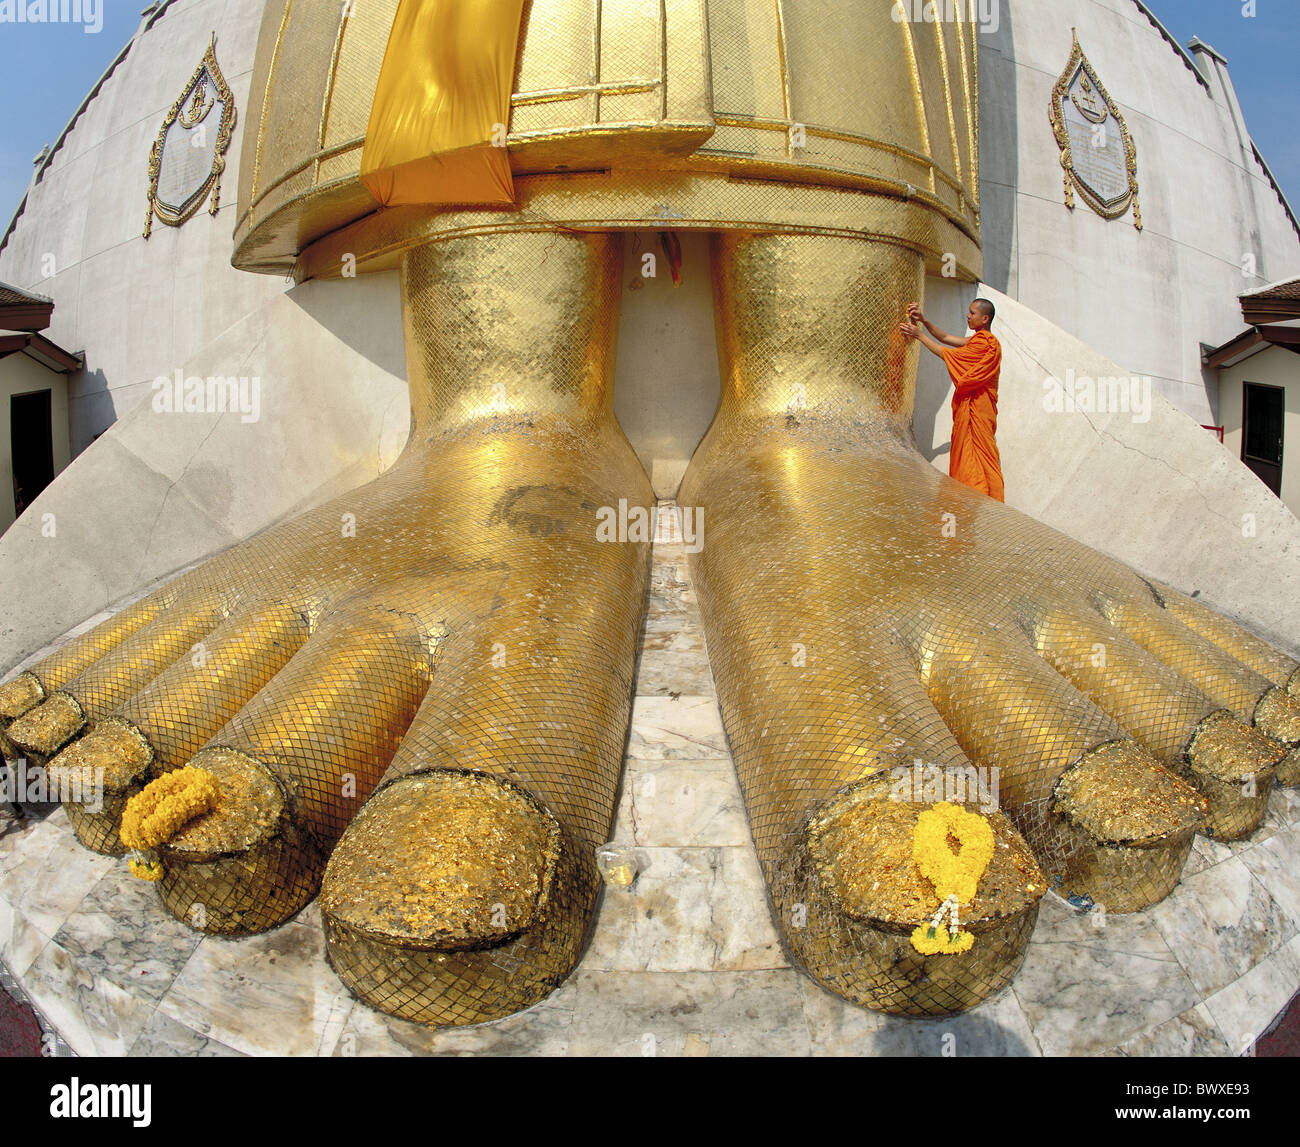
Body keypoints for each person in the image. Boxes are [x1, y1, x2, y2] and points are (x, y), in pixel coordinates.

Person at [900, 298, 1005, 502]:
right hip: (970, 410)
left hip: (980, 411)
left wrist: (919, 335)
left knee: (978, 461)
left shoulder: (987, 344)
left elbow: (948, 355)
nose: (968, 315)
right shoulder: (976, 340)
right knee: (968, 457)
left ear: (985, 318)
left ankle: (982, 499)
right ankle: (970, 501)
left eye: (972, 313)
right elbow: (945, 337)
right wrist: (923, 320)